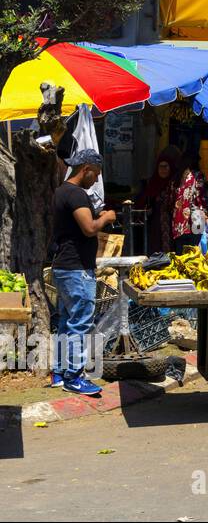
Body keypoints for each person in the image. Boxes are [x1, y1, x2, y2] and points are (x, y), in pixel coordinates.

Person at [50, 150, 116, 396]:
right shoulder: (76, 194)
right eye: (95, 174)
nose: (95, 180)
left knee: (66, 321)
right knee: (81, 322)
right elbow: (89, 229)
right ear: (86, 168)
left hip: (64, 266)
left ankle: (59, 371)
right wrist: (106, 218)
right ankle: (74, 377)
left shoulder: (60, 191)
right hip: (76, 268)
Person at [169, 153, 208, 250]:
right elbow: (201, 198)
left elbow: (171, 201)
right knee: (195, 254)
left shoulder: (175, 178)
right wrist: (207, 216)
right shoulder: (198, 176)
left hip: (178, 224)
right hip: (195, 221)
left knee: (181, 255)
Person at [139, 146, 180, 254]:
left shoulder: (174, 184)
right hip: (155, 225)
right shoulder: (152, 184)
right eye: (160, 167)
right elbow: (143, 202)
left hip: (171, 224)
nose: (163, 170)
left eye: (165, 167)